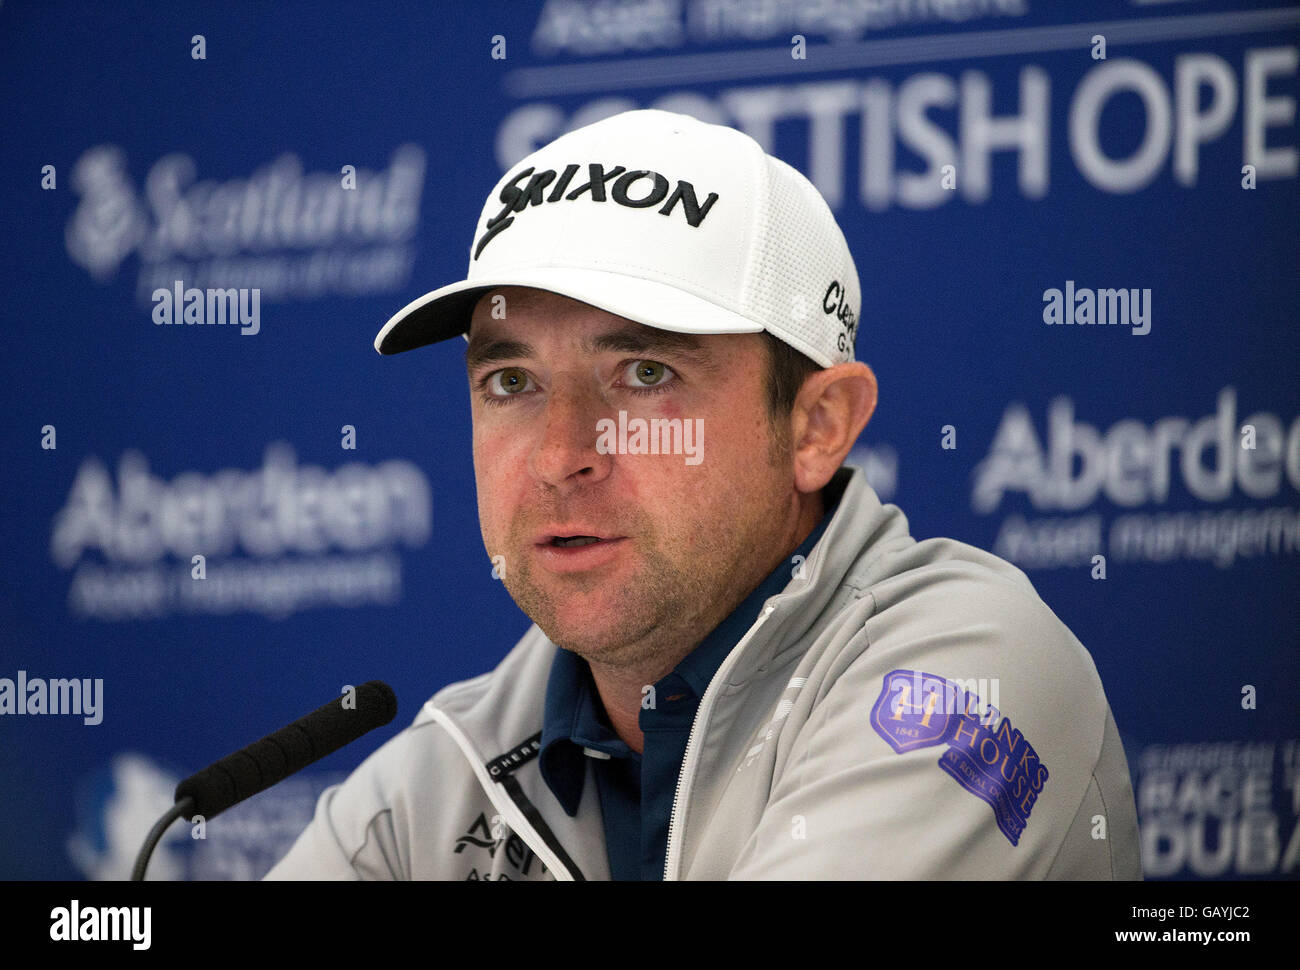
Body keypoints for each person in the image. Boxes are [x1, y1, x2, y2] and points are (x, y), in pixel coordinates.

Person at [265, 108, 1141, 880]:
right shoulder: (435, 781)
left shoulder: (966, 673)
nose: (563, 454)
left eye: (644, 373)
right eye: (511, 382)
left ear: (816, 427)